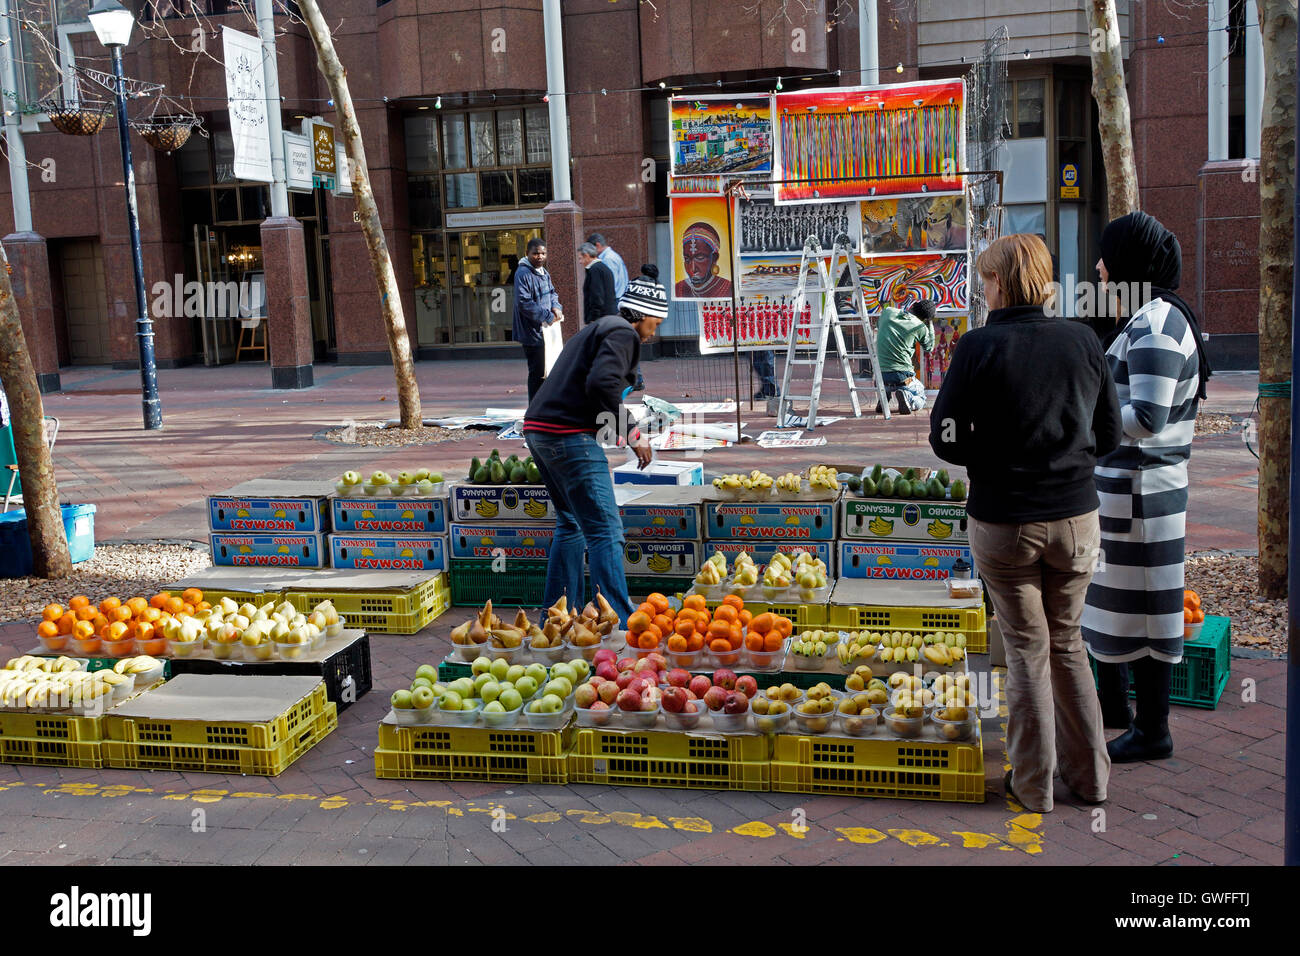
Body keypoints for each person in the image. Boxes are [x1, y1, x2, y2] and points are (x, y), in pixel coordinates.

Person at [929, 233, 1122, 813]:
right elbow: (1109, 435)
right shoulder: (1083, 340)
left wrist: (989, 453)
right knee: (1067, 642)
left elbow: (944, 436)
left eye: (986, 278)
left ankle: (1033, 786)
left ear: (1000, 283)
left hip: (1004, 520)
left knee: (1025, 649)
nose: (982, 288)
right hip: (1077, 519)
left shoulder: (978, 346)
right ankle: (1092, 782)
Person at [1083, 211, 1213, 764]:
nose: (1098, 268)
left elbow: (1149, 416)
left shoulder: (1157, 324)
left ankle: (1151, 729)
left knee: (1145, 609)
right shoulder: (1150, 316)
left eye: (1107, 257)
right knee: (1122, 606)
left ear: (1132, 265)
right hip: (1133, 493)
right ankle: (1121, 713)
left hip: (1141, 494)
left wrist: (1082, 418)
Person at [523, 274, 669, 625]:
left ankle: (556, 619)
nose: (654, 332)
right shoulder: (622, 333)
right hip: (565, 433)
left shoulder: (600, 328)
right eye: (655, 323)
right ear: (642, 315)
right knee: (606, 529)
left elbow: (593, 385)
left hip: (540, 430)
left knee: (571, 523)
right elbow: (601, 383)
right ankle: (618, 621)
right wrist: (633, 433)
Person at [511, 239, 562, 401]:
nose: (540, 256)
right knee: (538, 372)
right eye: (536, 253)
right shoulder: (523, 273)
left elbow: (552, 293)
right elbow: (524, 303)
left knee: (548, 370)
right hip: (532, 332)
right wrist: (548, 316)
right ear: (527, 254)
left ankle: (543, 407)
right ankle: (534, 409)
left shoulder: (543, 272)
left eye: (543, 253)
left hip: (546, 330)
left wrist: (556, 306)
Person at [874, 298, 937, 414]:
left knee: (887, 381)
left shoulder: (887, 312)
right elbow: (929, 348)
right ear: (925, 319)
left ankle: (884, 398)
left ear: (912, 307)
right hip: (902, 376)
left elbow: (879, 325)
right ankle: (908, 398)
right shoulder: (920, 327)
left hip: (879, 376)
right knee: (921, 395)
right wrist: (930, 324)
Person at [675, 222, 733, 299]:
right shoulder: (679, 289)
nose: (692, 269)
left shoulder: (728, 288)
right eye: (687, 259)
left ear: (714, 258)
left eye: (700, 258)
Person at [580, 242, 617, 324]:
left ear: (586, 255)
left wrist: (594, 318)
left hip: (601, 319)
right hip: (607, 317)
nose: (580, 262)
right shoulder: (602, 268)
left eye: (580, 258)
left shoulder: (595, 270)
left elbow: (596, 296)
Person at [588, 233, 628, 301]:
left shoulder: (608, 259)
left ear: (598, 245)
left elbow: (610, 284)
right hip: (619, 298)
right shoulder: (612, 255)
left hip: (614, 300)